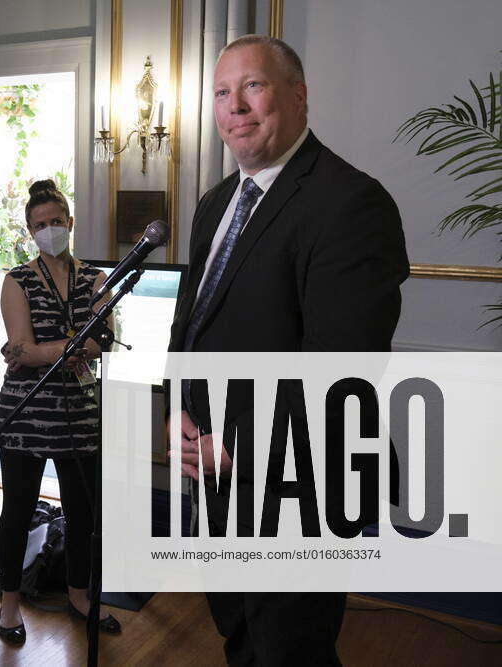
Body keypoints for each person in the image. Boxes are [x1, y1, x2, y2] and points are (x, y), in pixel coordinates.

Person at [166, 36, 409, 665]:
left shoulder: (350, 203)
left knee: (290, 651)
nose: (235, 106)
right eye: (222, 92)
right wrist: (176, 407)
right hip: (213, 473)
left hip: (298, 484)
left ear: (298, 96)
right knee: (240, 635)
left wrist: (234, 448)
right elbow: (189, 321)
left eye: (253, 86)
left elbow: (342, 371)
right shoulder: (216, 203)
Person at [0, 179, 122, 645]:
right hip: (25, 414)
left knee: (83, 512)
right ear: (30, 231)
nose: (49, 230)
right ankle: (10, 604)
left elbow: (103, 341)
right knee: (17, 509)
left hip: (80, 410)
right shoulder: (17, 280)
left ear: (69, 222)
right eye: (39, 225)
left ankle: (79, 595)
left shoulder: (96, 279)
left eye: (55, 221)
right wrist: (69, 346)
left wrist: (43, 350)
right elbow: (21, 349)